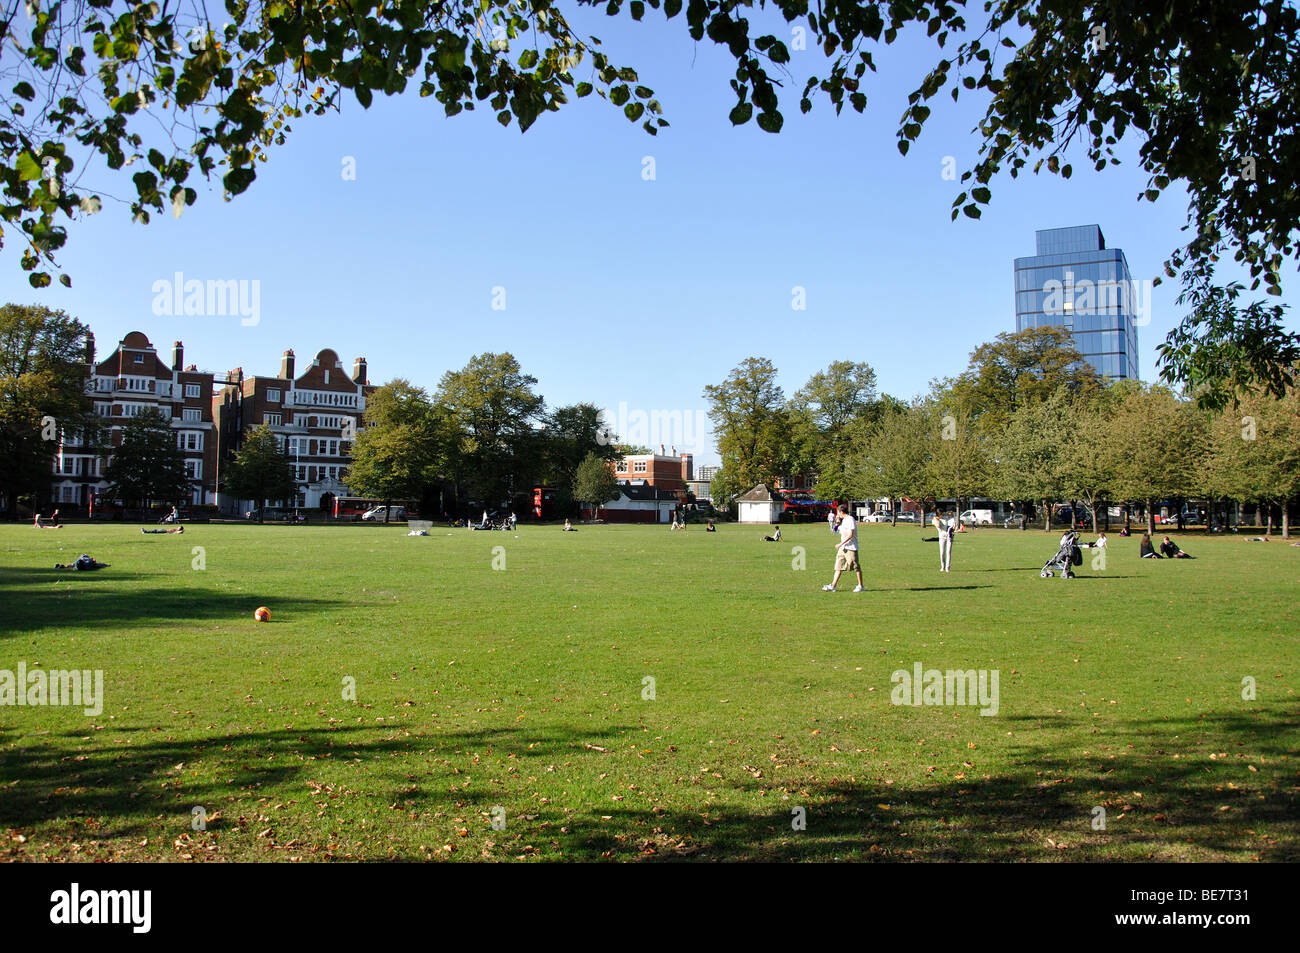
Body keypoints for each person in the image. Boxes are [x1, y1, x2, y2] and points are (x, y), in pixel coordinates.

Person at [823, 503, 864, 593]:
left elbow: (851, 535)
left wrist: (840, 544)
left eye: (838, 512)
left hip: (851, 548)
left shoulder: (850, 520)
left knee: (856, 567)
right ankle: (833, 585)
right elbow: (837, 531)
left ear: (841, 511)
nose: (837, 514)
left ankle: (860, 586)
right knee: (839, 566)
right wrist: (837, 523)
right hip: (843, 548)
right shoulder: (844, 521)